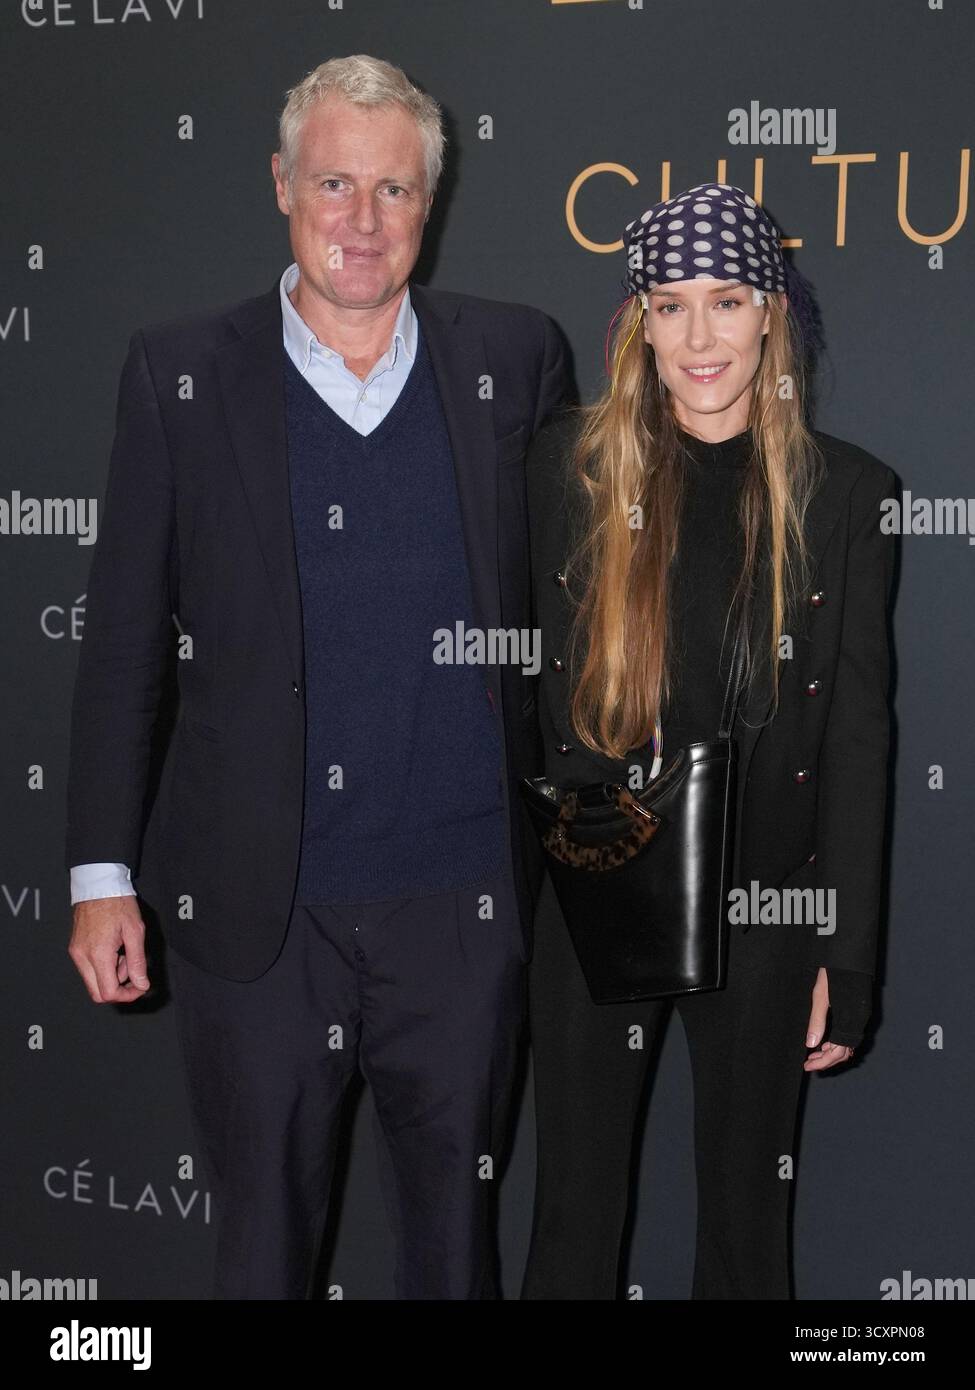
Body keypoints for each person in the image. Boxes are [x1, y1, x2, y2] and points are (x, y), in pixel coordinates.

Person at [64, 54, 572, 1300]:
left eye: (394, 190)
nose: (362, 220)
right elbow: (126, 640)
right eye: (335, 182)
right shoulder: (179, 372)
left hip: (459, 913)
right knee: (262, 1259)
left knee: (457, 1261)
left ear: (430, 205)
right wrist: (98, 876)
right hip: (260, 921)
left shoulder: (518, 360)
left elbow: (579, 611)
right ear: (282, 184)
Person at [520, 183, 896, 1299]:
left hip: (767, 906)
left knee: (747, 1234)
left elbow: (861, 738)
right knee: (574, 1223)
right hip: (599, 888)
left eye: (726, 301)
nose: (699, 339)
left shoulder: (847, 494)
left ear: (772, 310)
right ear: (639, 320)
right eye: (670, 305)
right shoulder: (566, 472)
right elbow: (520, 699)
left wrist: (849, 951)